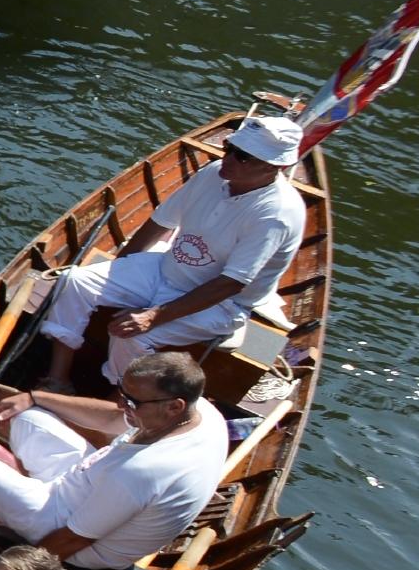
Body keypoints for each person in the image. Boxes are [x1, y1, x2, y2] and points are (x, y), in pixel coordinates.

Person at [39, 114, 305, 385]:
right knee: (75, 280)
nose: (229, 158)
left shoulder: (276, 214)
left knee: (134, 335)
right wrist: (120, 267)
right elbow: (159, 222)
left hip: (223, 304)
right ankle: (58, 377)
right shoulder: (213, 173)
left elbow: (231, 284)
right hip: (169, 267)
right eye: (230, 148)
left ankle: (124, 403)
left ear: (275, 167)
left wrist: (153, 316)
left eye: (243, 157)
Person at [0, 350, 229, 570]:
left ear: (174, 406)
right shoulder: (199, 410)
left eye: (132, 402)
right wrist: (35, 398)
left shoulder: (144, 472)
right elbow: (113, 417)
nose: (122, 405)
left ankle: (0, 513)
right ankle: (16, 500)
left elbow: (73, 539)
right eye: (123, 393)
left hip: (82, 541)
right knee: (27, 418)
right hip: (90, 484)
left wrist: (11, 568)